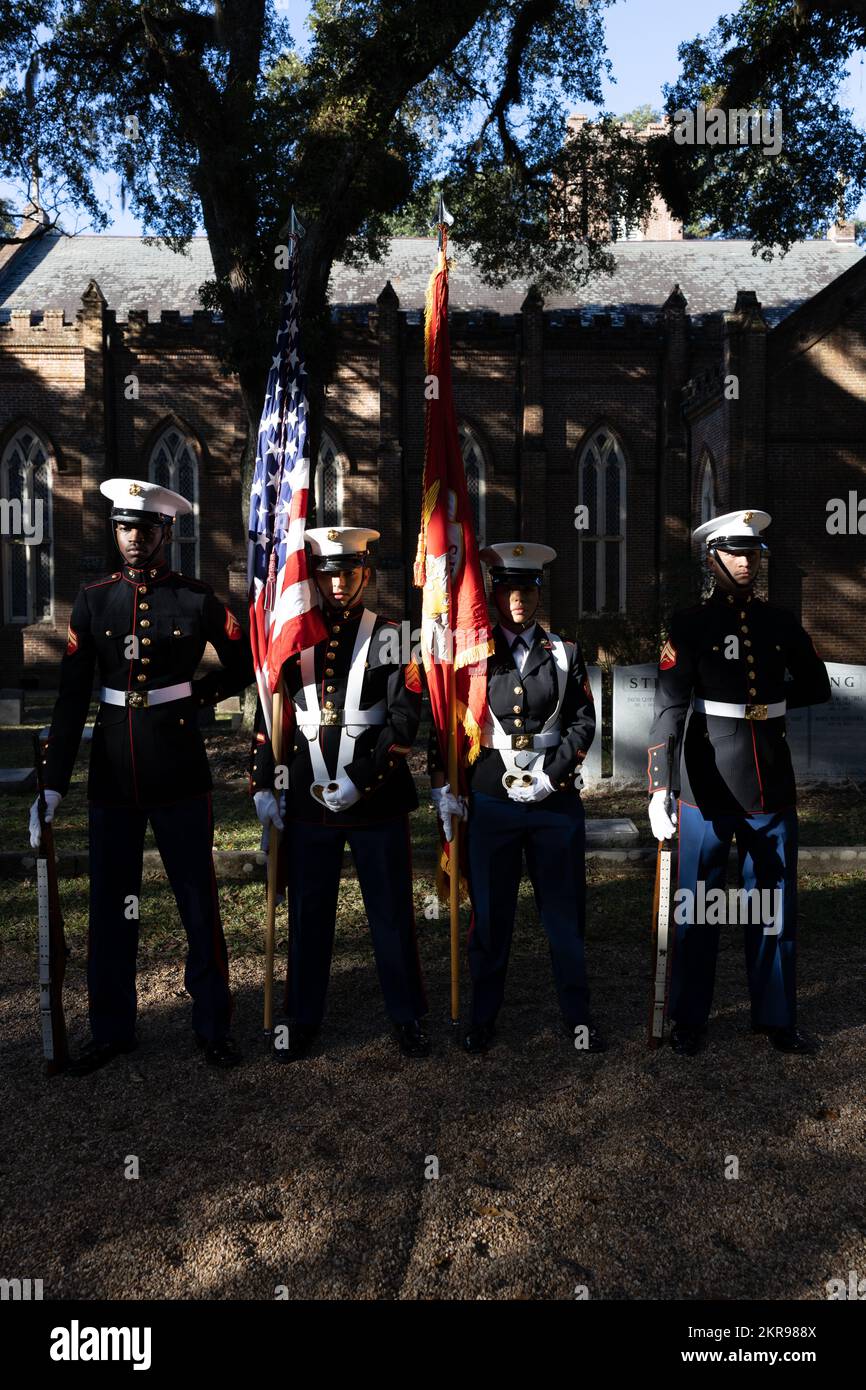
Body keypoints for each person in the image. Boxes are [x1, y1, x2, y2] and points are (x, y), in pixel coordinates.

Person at [29, 477, 253, 1074]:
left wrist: (197, 698)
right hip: (112, 774)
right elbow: (72, 699)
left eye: (145, 529)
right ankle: (112, 1028)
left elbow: (245, 662)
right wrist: (52, 784)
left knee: (197, 901)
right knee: (111, 904)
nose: (134, 539)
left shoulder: (195, 598)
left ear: (166, 534)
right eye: (125, 528)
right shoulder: (93, 600)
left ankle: (212, 1024)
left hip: (179, 769)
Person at [647, 509, 831, 1056]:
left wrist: (765, 707)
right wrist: (659, 785)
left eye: (753, 553)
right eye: (734, 553)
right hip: (705, 785)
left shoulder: (781, 622)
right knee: (699, 906)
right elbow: (668, 708)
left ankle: (776, 1017)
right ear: (713, 559)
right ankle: (689, 1020)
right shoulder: (687, 625)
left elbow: (817, 686)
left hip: (770, 783)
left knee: (772, 904)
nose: (746, 562)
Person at [251, 526, 428, 1061]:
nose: (337, 585)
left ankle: (407, 1015)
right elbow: (268, 713)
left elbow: (404, 722)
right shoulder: (292, 633)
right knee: (309, 914)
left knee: (391, 912)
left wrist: (363, 781)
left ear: (365, 575)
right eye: (328, 574)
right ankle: (302, 1018)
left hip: (375, 798)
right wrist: (264, 782)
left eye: (348, 574)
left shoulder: (398, 634)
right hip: (307, 797)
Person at [430, 541, 601, 1054]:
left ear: (539, 593)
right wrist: (443, 786)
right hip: (491, 803)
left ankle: (578, 1016)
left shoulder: (565, 653)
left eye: (528, 588)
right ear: (494, 593)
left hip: (554, 802)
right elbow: (444, 721)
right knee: (490, 916)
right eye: (508, 588)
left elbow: (583, 722)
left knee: (564, 916)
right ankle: (482, 1017)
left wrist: (554, 775)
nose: (519, 599)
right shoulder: (471, 656)